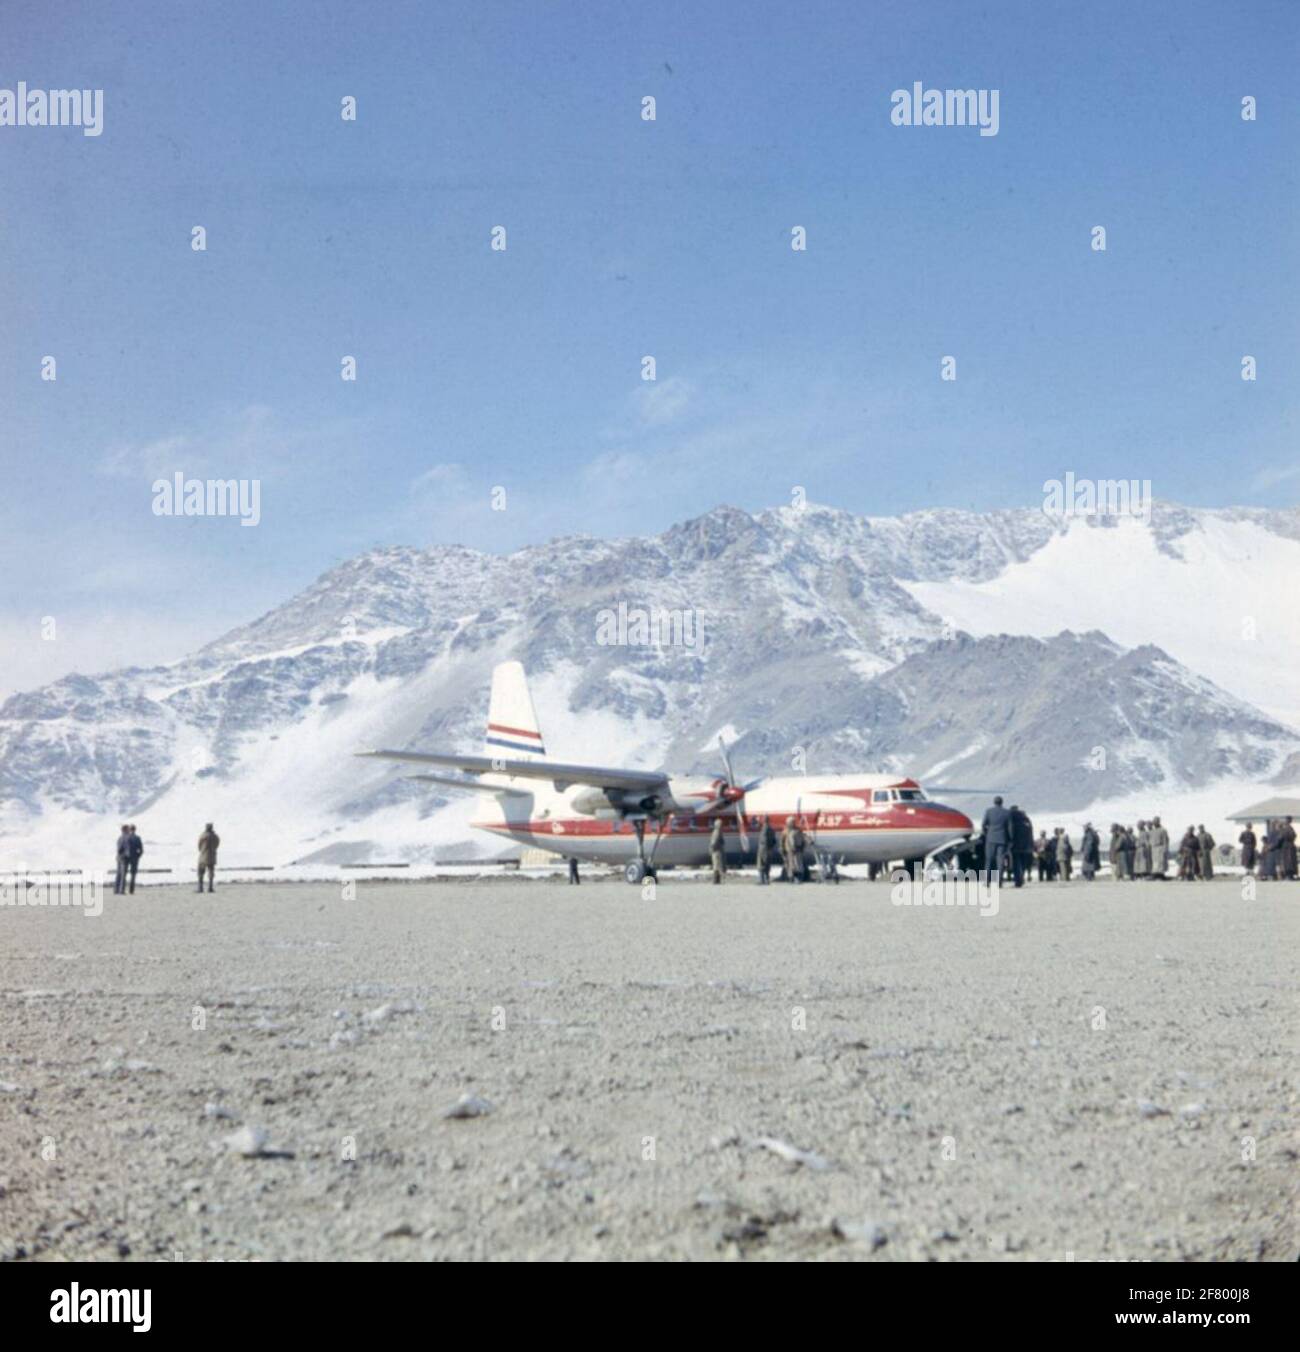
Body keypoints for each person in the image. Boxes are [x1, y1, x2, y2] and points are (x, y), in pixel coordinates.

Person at [980, 796, 1011, 884]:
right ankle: (999, 881)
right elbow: (1010, 828)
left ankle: (986, 881)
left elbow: (983, 825)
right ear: (1002, 802)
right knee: (1000, 861)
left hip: (990, 839)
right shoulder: (1007, 812)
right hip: (1002, 839)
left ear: (994, 802)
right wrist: (1010, 839)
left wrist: (987, 834)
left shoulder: (989, 811)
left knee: (989, 860)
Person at [1008, 805, 1032, 888]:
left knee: (1016, 863)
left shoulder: (1012, 818)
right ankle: (1021, 879)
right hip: (1026, 845)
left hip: (1015, 845)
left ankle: (1018, 881)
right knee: (1023, 863)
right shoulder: (1026, 819)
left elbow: (1010, 832)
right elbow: (1030, 833)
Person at [197, 823, 220, 893]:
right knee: (211, 872)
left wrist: (202, 850)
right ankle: (210, 887)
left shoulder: (203, 836)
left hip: (203, 855)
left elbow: (199, 846)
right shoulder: (215, 836)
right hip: (212, 855)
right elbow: (217, 844)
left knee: (200, 872)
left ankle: (200, 888)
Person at [124, 823, 144, 894]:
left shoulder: (126, 837)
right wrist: (137, 856)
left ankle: (122, 889)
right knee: (133, 874)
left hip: (126, 858)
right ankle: (131, 890)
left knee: (124, 874)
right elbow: (141, 850)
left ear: (130, 830)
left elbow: (123, 848)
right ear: (135, 830)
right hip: (135, 858)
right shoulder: (137, 838)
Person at [755, 816, 776, 885]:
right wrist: (771, 847)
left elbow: (764, 839)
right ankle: (767, 879)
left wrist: (764, 846)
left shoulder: (764, 829)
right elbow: (774, 840)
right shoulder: (771, 829)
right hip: (769, 849)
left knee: (761, 864)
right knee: (767, 864)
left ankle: (761, 880)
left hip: (763, 848)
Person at [113, 824, 131, 895]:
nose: (129, 830)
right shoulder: (127, 837)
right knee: (123, 874)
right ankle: (121, 890)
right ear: (126, 830)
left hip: (118, 857)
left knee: (118, 874)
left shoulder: (120, 838)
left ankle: (116, 889)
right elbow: (128, 848)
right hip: (124, 858)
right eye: (128, 829)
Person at [791, 817, 808, 883]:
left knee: (798, 865)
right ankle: (798, 879)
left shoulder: (797, 833)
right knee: (797, 865)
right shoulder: (796, 833)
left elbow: (804, 840)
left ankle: (798, 879)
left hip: (798, 850)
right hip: (797, 850)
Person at [709, 817, 725, 885]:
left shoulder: (717, 831)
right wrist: (713, 849)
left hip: (716, 850)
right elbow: (714, 842)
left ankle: (717, 880)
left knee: (717, 865)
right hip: (717, 851)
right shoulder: (717, 832)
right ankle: (716, 880)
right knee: (717, 865)